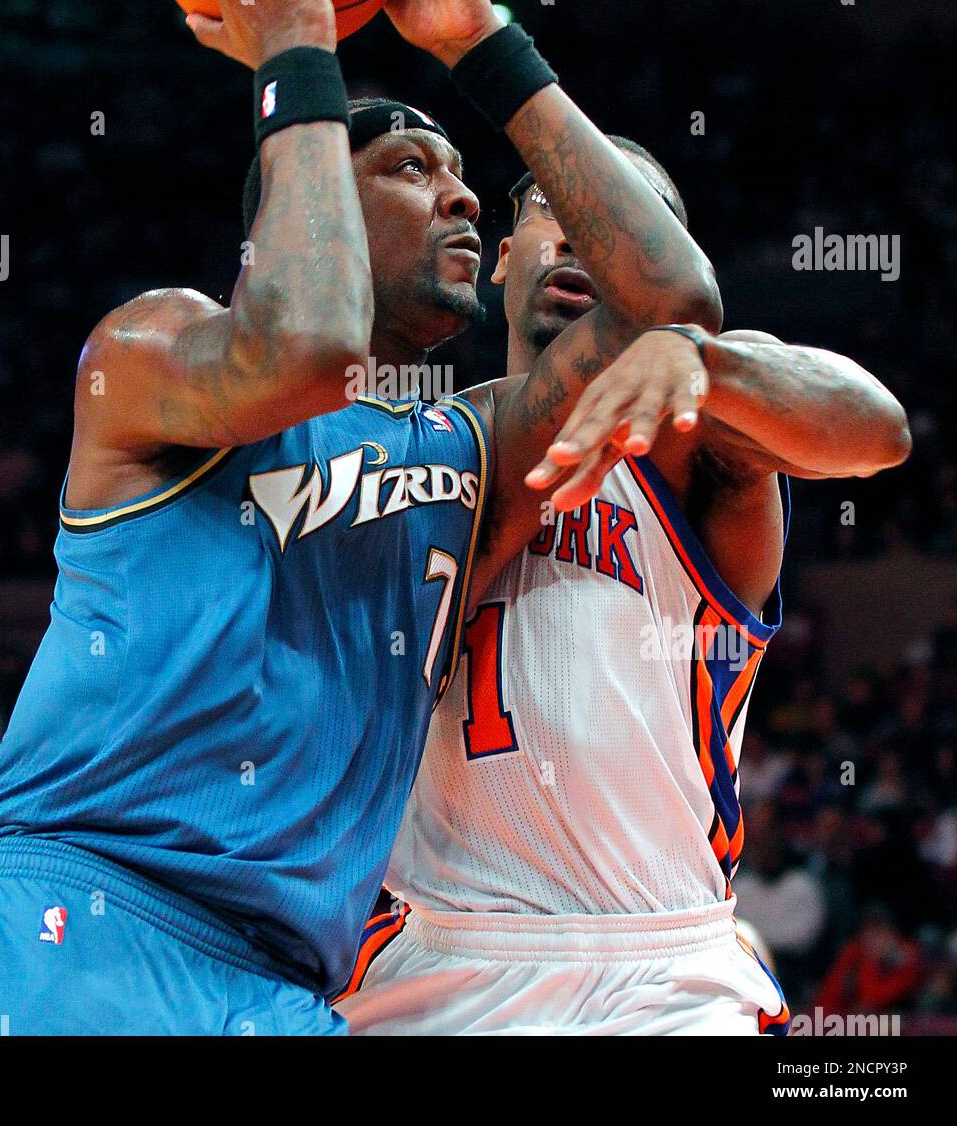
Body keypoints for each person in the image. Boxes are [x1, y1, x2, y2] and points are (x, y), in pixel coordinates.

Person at [0, 0, 718, 1035]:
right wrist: (296, 47)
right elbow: (310, 346)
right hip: (66, 928)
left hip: (287, 990)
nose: (466, 193)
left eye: (459, 171)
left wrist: (485, 43)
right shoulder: (152, 350)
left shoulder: (476, 455)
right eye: (410, 166)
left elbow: (672, 307)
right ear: (299, 191)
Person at [340, 165, 911, 1035]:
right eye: (549, 212)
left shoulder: (705, 459)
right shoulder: (421, 453)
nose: (579, 233)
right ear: (501, 259)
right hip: (442, 952)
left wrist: (696, 356)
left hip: (665, 969)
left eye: (619, 218)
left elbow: (876, 431)